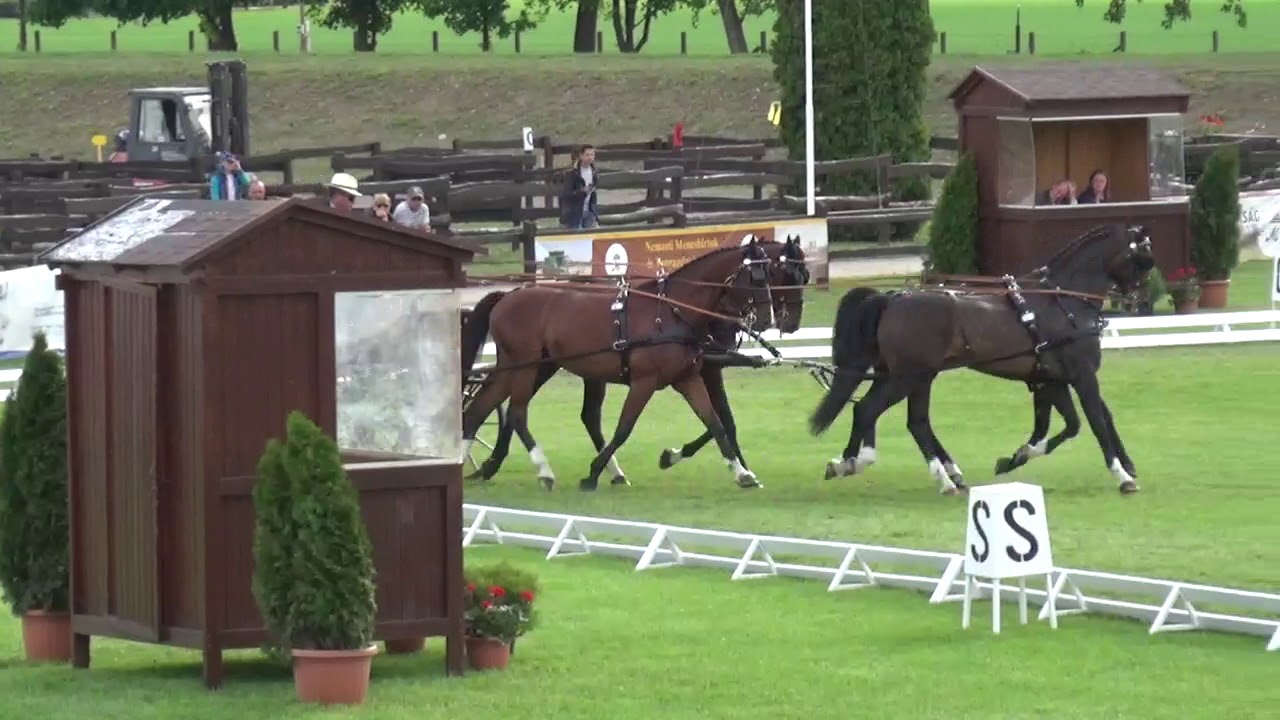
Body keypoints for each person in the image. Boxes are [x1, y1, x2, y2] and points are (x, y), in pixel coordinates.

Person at [559, 144, 599, 229]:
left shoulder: (594, 172)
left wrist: (594, 211)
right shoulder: (572, 173)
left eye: (592, 155)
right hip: (574, 213)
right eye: (587, 155)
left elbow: (593, 192)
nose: (590, 157)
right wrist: (581, 192)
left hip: (589, 211)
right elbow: (566, 194)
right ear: (581, 156)